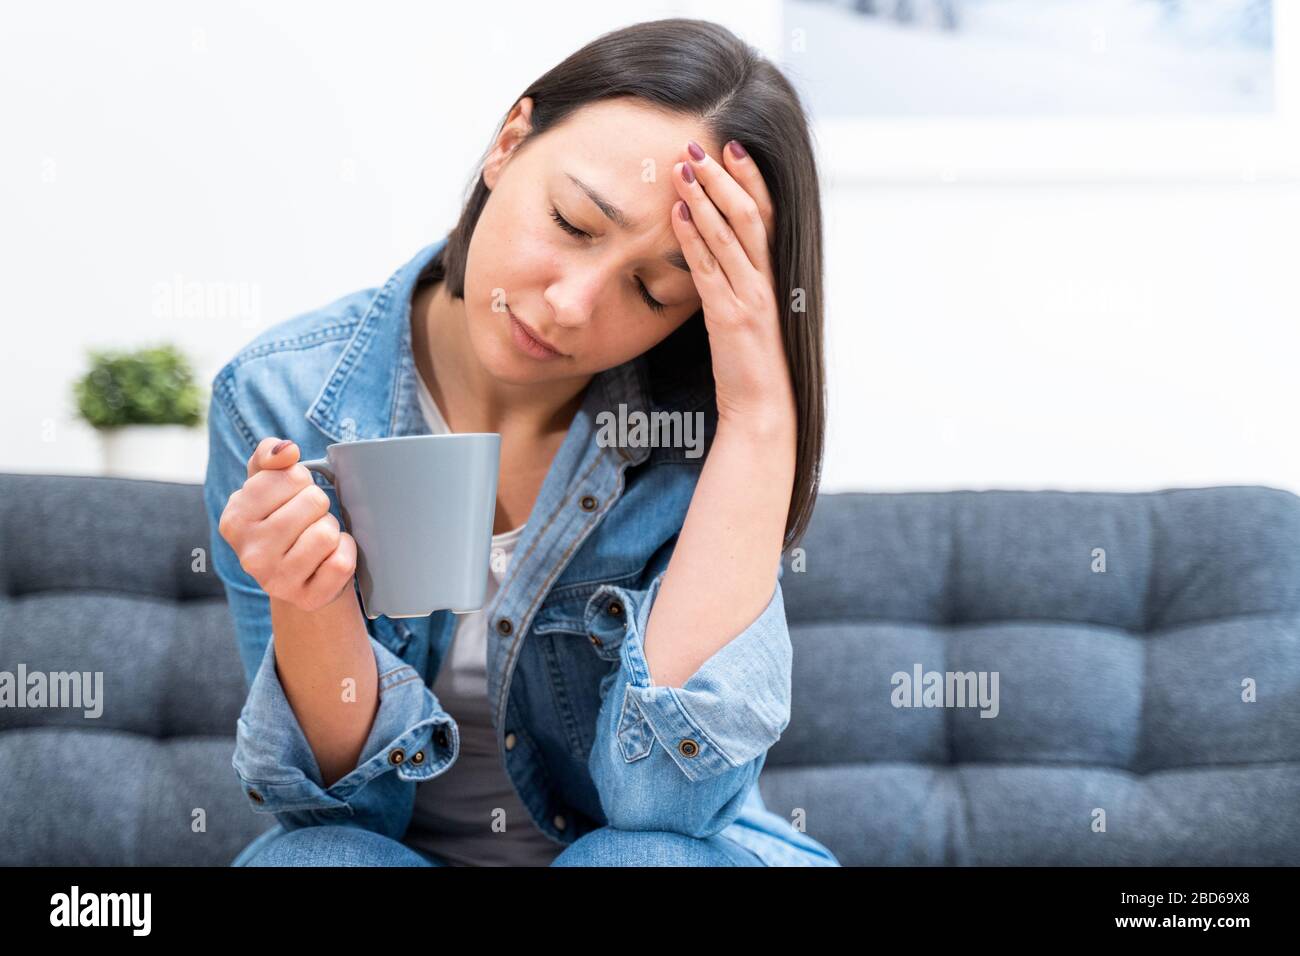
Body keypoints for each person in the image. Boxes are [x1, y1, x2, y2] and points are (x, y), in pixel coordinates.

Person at [205, 17, 838, 867]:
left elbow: (664, 806)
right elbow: (338, 810)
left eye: (652, 292)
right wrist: (309, 598)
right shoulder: (277, 395)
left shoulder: (700, 439)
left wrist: (761, 418)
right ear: (510, 143)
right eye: (573, 223)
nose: (572, 304)